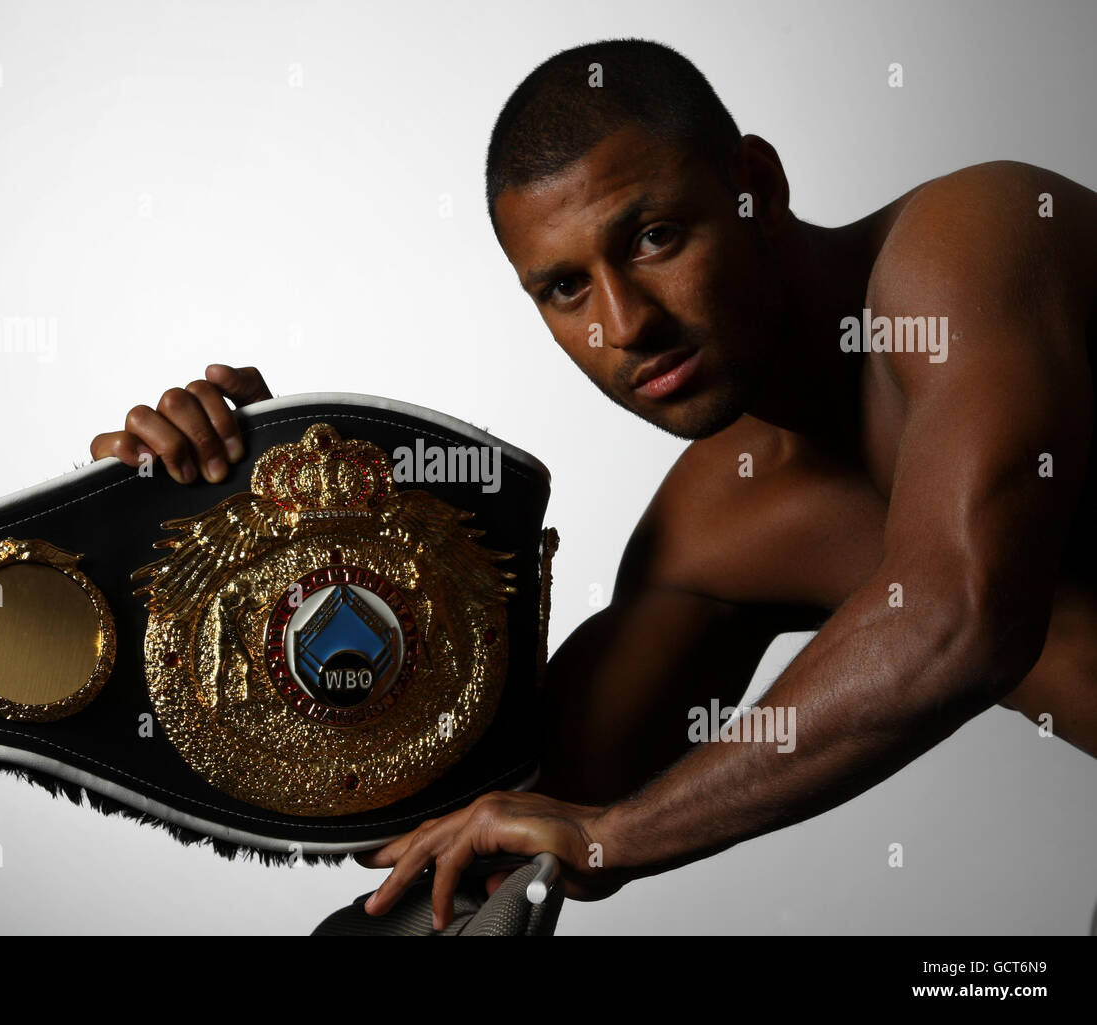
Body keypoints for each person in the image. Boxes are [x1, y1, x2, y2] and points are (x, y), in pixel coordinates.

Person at [90, 37, 1097, 932]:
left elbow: (960, 616)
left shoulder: (969, 242)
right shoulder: (720, 521)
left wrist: (619, 836)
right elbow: (501, 815)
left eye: (654, 237)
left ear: (755, 182)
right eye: (564, 288)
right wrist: (274, 543)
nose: (624, 323)